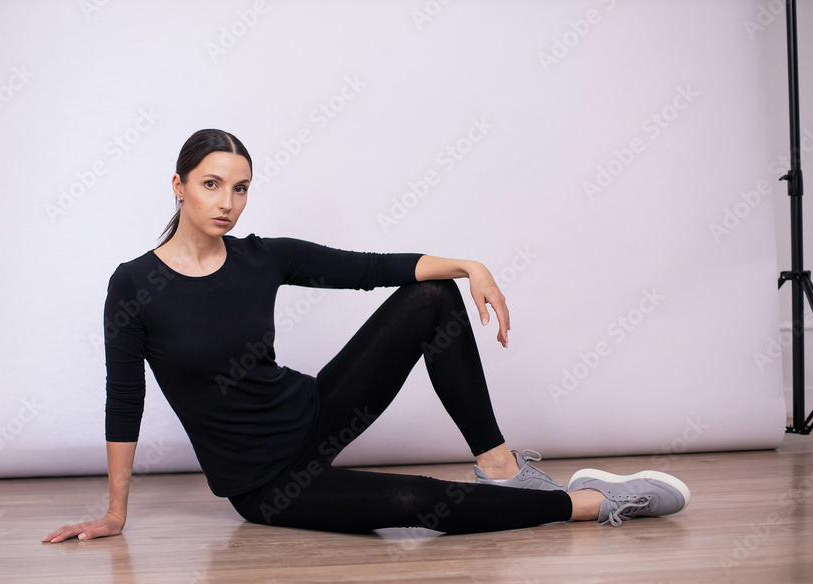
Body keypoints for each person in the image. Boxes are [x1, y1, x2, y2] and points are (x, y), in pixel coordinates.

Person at [43, 129, 690, 543]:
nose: (228, 202)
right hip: (265, 483)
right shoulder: (134, 284)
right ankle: (587, 505)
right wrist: (114, 513)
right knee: (412, 500)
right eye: (212, 184)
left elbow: (369, 269)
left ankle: (502, 468)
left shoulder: (261, 257)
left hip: (314, 414)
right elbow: (124, 398)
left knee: (431, 296)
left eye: (240, 188)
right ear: (179, 185)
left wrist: (472, 266)